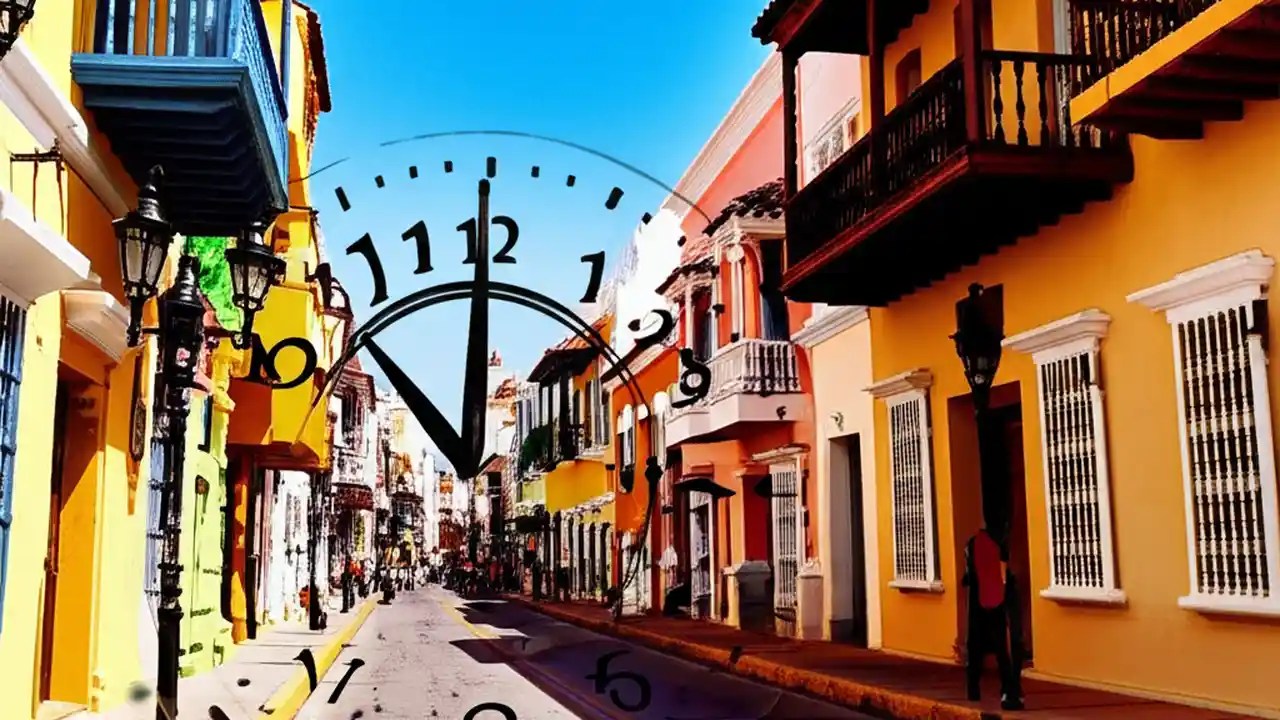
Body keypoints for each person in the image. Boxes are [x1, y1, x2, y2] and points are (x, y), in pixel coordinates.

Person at [962, 528, 1024, 710]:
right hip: (996, 601)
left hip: (981, 602)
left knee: (979, 648)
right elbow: (1002, 574)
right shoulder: (995, 543)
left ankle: (974, 689)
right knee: (1003, 648)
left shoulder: (975, 543)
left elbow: (970, 575)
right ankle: (1009, 690)